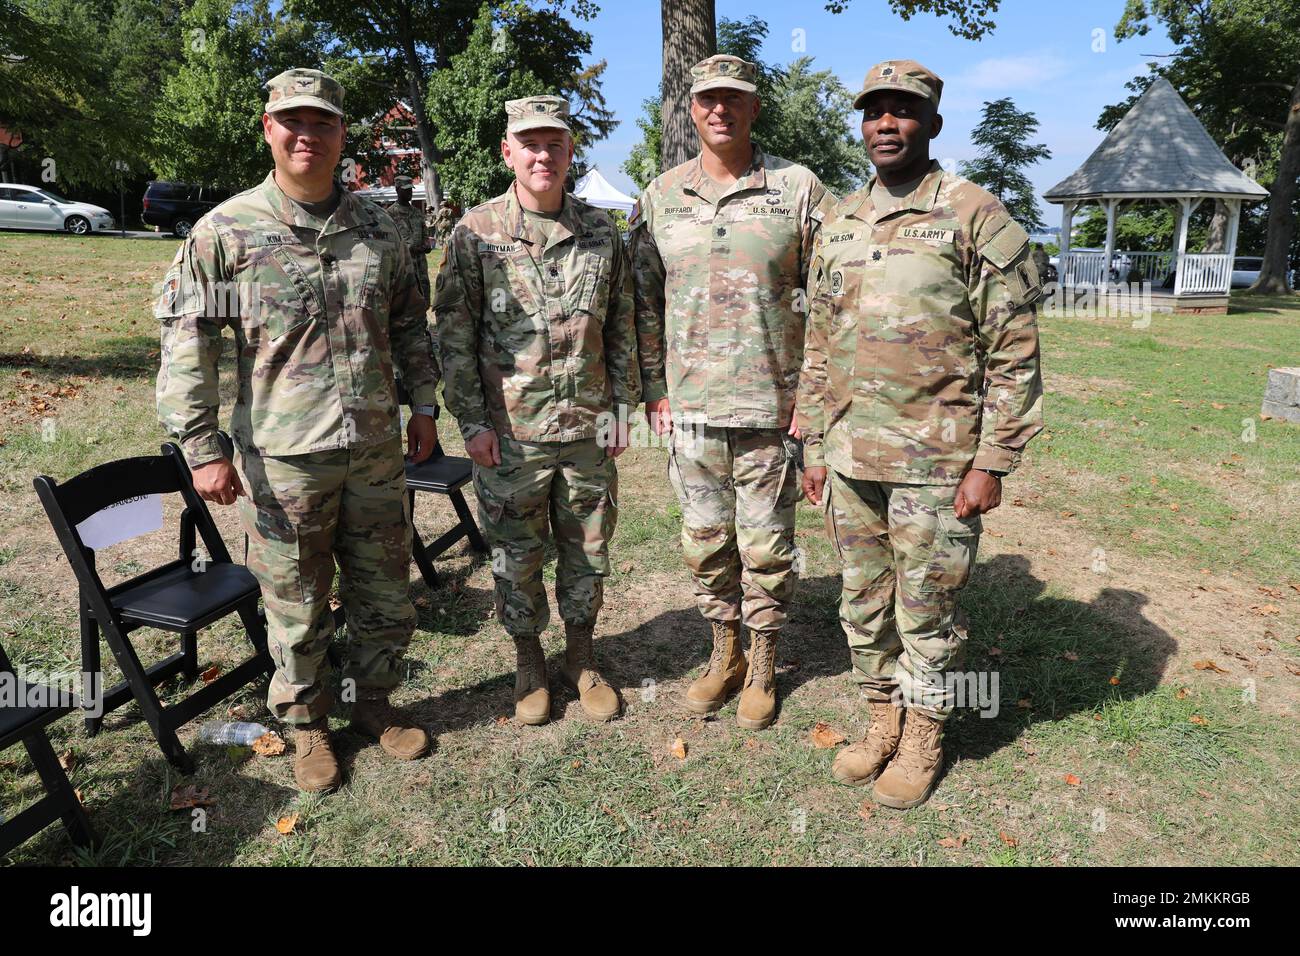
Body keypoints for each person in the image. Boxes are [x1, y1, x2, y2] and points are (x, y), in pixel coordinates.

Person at [155, 68, 441, 793]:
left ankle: (372, 703)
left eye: (323, 123)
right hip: (284, 459)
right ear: (269, 128)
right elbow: (191, 347)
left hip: (375, 449)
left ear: (342, 133)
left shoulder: (381, 226)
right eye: (293, 122)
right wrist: (203, 450)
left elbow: (410, 323)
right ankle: (308, 723)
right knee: (296, 600)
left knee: (384, 590)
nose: (307, 134)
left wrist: (427, 407)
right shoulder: (225, 232)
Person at [797, 60, 1044, 808]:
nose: (886, 123)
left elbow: (1014, 351)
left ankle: (926, 733)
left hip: (937, 463)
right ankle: (881, 721)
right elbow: (817, 341)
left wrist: (993, 461)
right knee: (862, 602)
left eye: (904, 111)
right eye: (875, 111)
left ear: (933, 123)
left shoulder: (975, 216)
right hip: (848, 457)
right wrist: (812, 444)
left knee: (927, 611)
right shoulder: (840, 221)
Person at [630, 54, 835, 729]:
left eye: (734, 99)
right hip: (689, 410)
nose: (721, 110)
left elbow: (832, 298)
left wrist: (814, 399)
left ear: (753, 108)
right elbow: (643, 302)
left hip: (770, 409)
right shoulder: (659, 196)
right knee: (703, 541)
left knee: (768, 548)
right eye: (708, 99)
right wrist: (655, 390)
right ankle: (724, 654)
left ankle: (766, 660)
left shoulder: (799, 190)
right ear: (691, 109)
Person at [434, 95, 640, 725]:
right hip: (510, 435)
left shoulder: (603, 232)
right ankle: (529, 661)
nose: (543, 154)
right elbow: (453, 337)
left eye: (555, 142)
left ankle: (581, 656)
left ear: (571, 151)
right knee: (515, 555)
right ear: (508, 152)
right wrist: (471, 424)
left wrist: (624, 408)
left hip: (586, 429)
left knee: (588, 550)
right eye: (530, 143)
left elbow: (624, 326)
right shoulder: (474, 235)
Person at [387, 175, 432, 301]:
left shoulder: (417, 213)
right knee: (405, 300)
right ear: (397, 189)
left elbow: (425, 235)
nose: (410, 192)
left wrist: (426, 245)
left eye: (411, 189)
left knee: (423, 296)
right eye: (406, 189)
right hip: (403, 266)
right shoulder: (389, 215)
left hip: (420, 264)